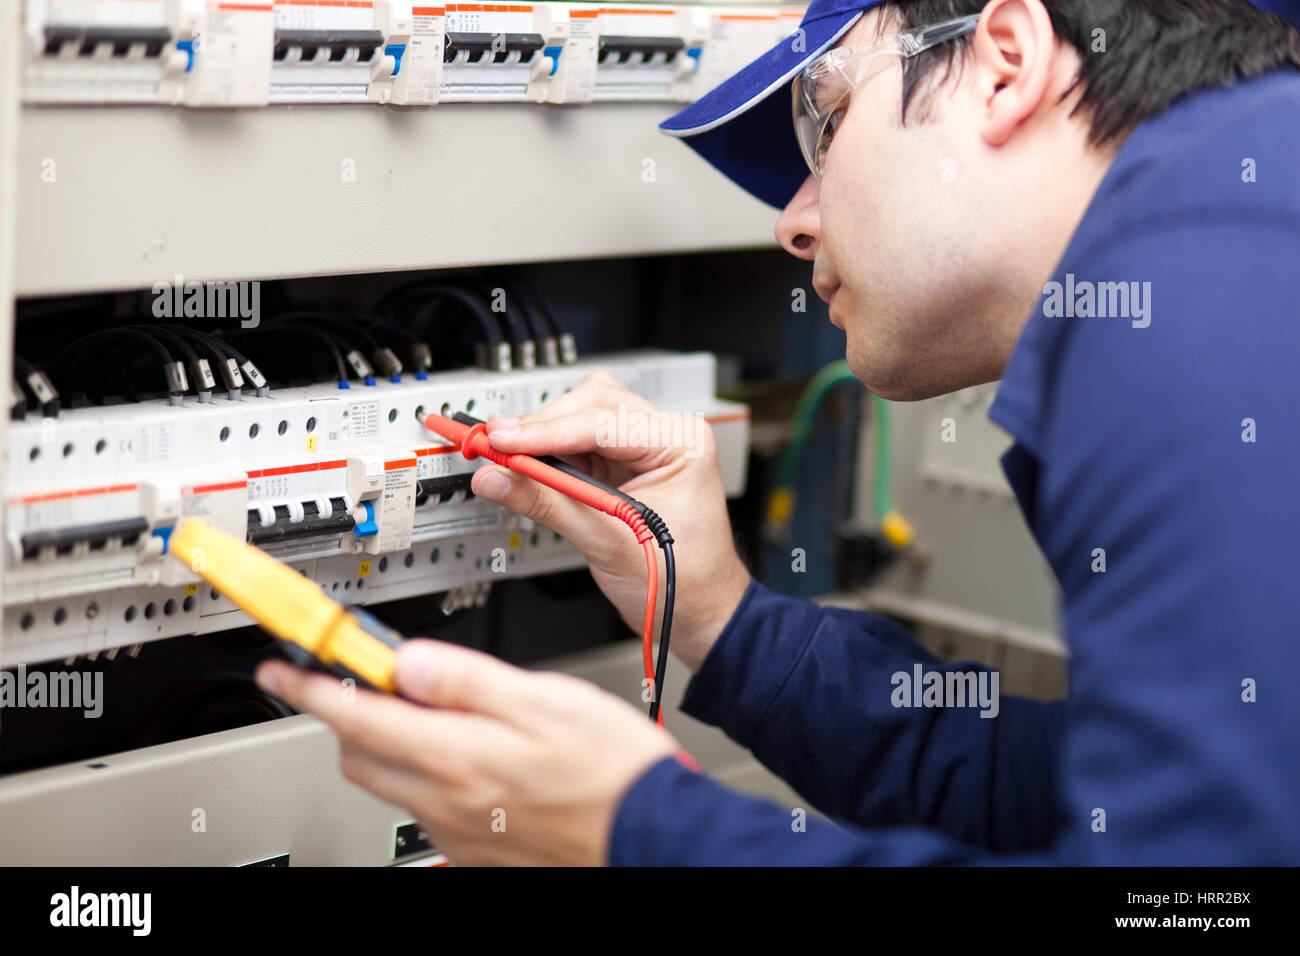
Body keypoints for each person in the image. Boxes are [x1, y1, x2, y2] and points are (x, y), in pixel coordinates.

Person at [255, 0, 1300, 865]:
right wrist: (720, 617)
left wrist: (633, 831)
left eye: (826, 120)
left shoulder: (1197, 266)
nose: (792, 221)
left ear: (1003, 64)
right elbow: (1075, 798)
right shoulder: (1232, 222)